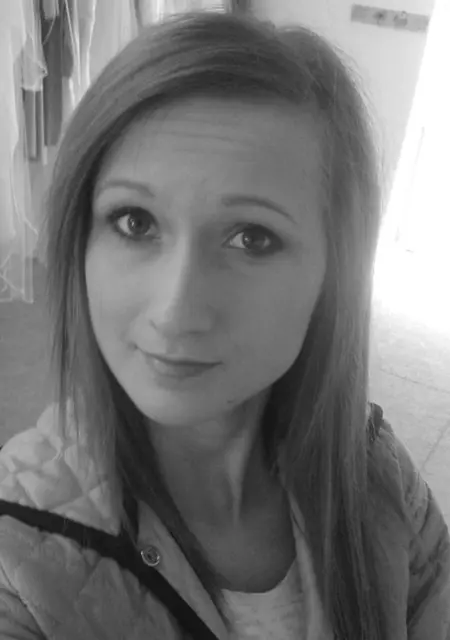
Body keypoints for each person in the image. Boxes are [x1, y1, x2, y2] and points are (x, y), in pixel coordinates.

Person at [0, 10, 448, 640]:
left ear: (334, 272)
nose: (175, 311)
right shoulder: (18, 550)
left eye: (252, 238)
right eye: (135, 222)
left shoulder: (376, 472)